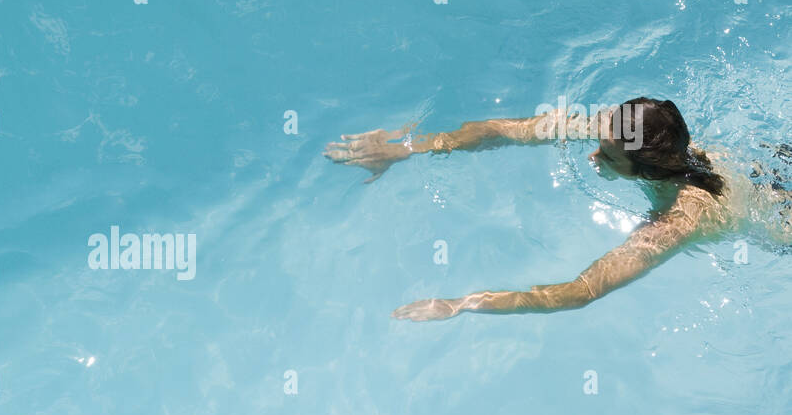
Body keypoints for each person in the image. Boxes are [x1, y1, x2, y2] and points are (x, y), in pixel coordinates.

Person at [324, 98, 790, 319]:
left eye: (606, 157)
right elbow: (500, 129)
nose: (592, 155)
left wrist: (462, 305)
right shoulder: (630, 133)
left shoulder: (681, 218)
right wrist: (409, 147)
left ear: (645, 172)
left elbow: (583, 290)